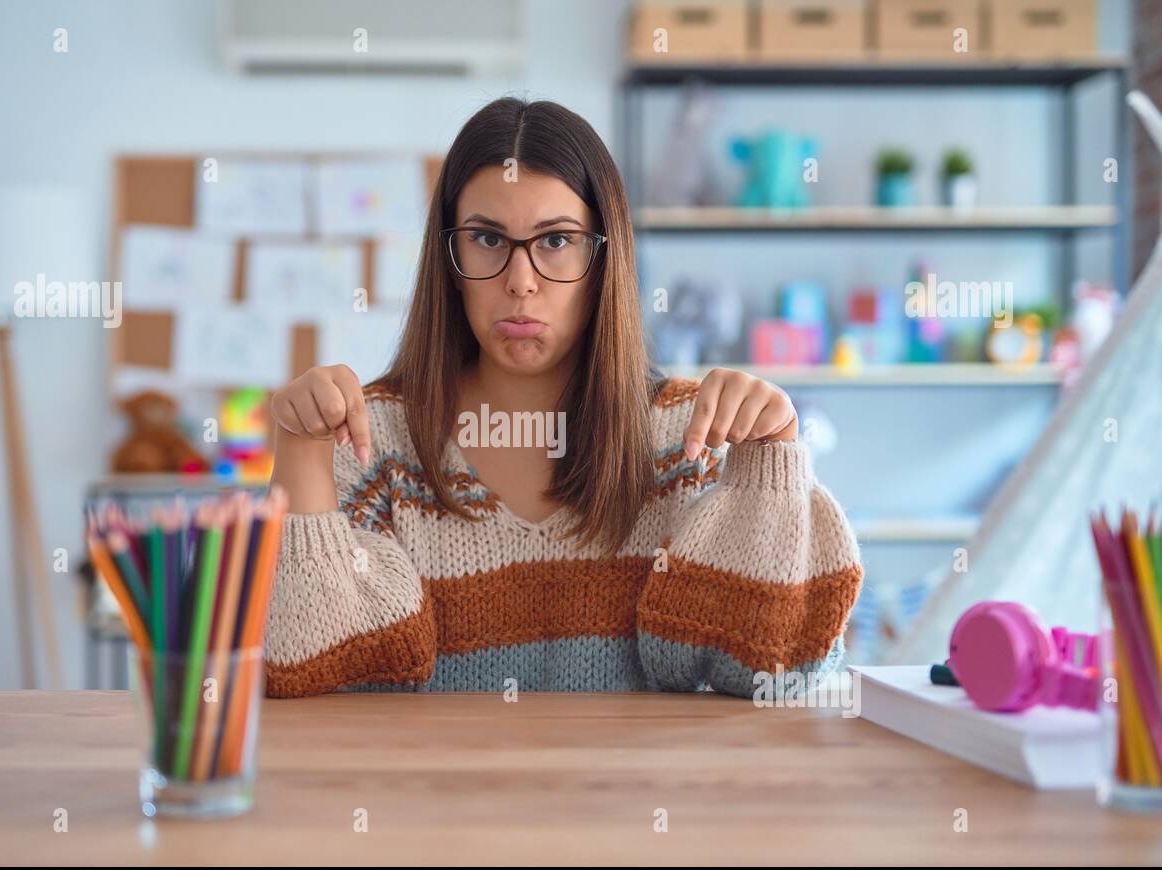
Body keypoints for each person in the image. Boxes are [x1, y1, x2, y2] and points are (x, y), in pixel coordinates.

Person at [264, 96, 863, 697]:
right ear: (449, 256)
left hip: (630, 793)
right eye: (486, 239)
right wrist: (299, 454)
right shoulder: (370, 438)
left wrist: (773, 459)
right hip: (437, 791)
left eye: (555, 241)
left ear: (605, 256)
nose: (520, 281)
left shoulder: (689, 438)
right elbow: (305, 673)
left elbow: (774, 675)